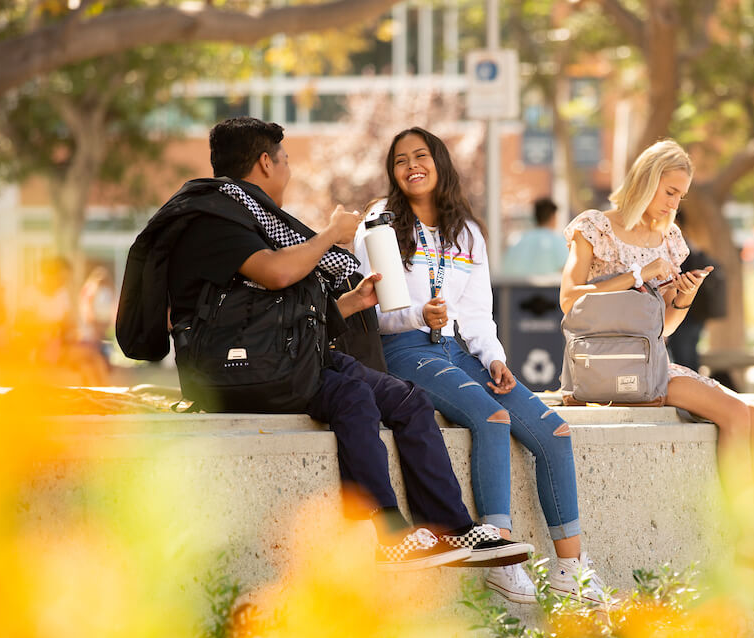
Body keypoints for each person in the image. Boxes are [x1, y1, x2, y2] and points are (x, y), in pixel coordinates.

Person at [119, 116, 532, 575]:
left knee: (408, 401)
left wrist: (353, 303)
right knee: (353, 396)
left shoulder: (251, 216)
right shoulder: (214, 220)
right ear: (265, 162)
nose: (288, 170)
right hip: (239, 370)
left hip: (283, 356)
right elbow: (277, 273)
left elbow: (278, 308)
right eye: (285, 160)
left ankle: (450, 527)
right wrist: (332, 234)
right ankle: (389, 534)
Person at [368, 126, 607, 605]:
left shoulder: (467, 232)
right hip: (405, 349)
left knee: (554, 431)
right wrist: (419, 316)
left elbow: (477, 312)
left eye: (420, 155)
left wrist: (495, 358)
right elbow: (375, 310)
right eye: (400, 160)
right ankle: (502, 560)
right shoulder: (380, 223)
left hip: (458, 349)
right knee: (492, 417)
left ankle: (571, 570)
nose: (412, 166)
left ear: (439, 162)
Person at [559, 139, 754, 489]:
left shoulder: (668, 238)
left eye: (680, 196)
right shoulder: (595, 226)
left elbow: (665, 327)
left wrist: (685, 297)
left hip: (651, 362)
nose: (674, 203)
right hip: (607, 363)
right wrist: (638, 275)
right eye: (670, 192)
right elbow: (568, 300)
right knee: (736, 414)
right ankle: (744, 522)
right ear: (646, 180)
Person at [665, 205, 727, 372]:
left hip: (684, 311)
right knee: (688, 355)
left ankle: (690, 385)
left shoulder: (678, 247)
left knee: (684, 357)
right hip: (694, 312)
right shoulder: (691, 245)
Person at [500, 197, 565, 277]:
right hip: (549, 285)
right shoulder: (557, 241)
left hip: (515, 284)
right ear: (553, 217)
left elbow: (506, 270)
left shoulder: (516, 241)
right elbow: (567, 271)